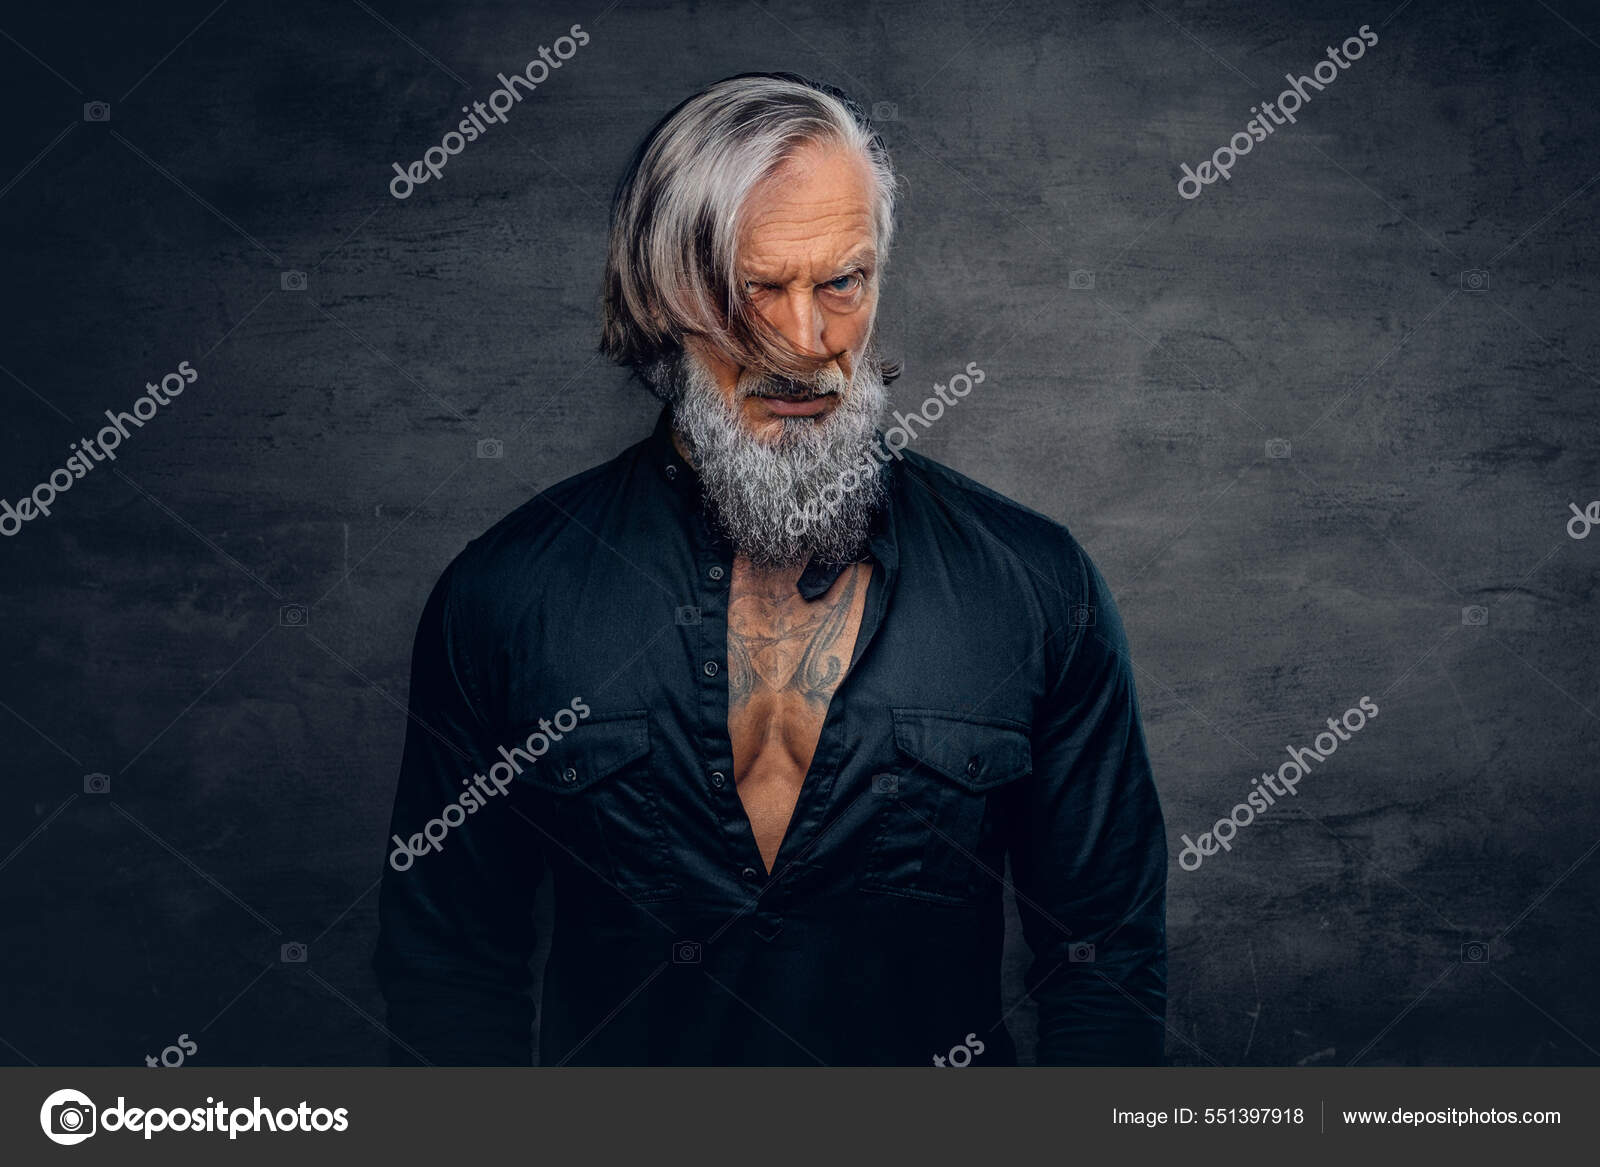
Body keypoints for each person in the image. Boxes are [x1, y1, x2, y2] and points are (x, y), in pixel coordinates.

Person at [373, 72, 1166, 1066]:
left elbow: (1104, 971)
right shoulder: (505, 597)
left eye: (842, 284)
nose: (806, 344)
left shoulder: (1038, 589)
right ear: (661, 294)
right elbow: (450, 974)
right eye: (756, 288)